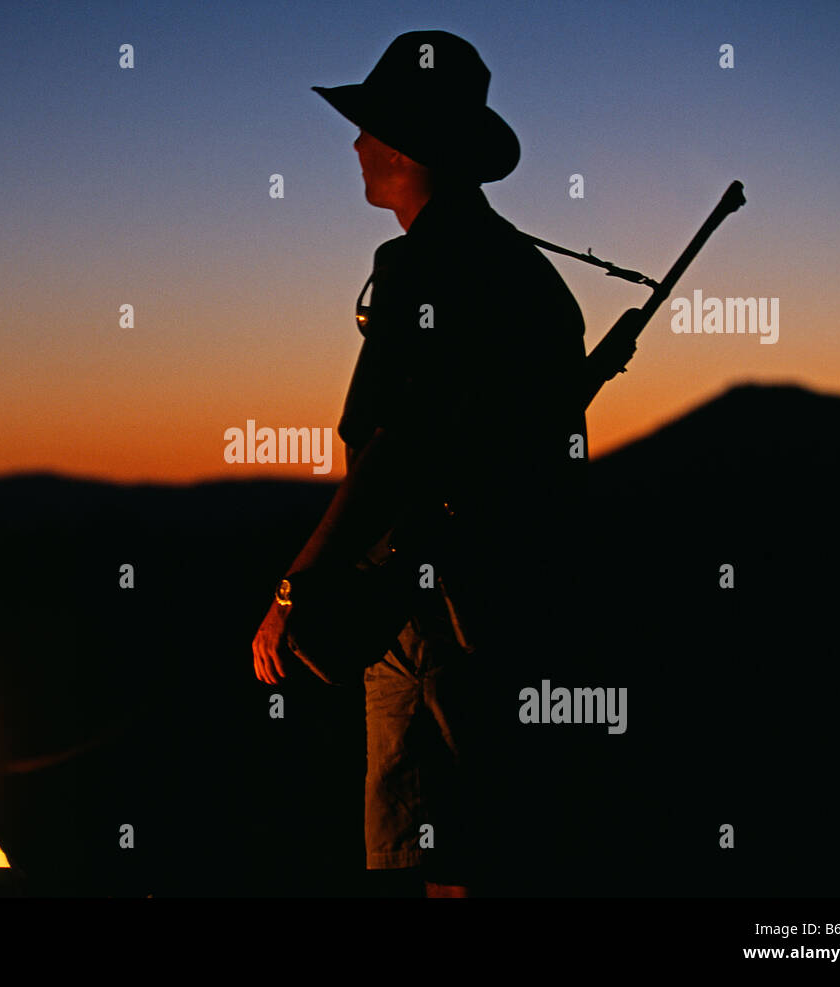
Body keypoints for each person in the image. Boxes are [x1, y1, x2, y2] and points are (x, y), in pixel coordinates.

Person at [251, 30, 588, 896]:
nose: (355, 144)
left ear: (405, 146)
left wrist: (296, 588)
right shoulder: (523, 275)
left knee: (450, 854)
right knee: (460, 845)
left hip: (440, 609)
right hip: (474, 597)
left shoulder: (426, 267)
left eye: (369, 128)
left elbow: (395, 450)